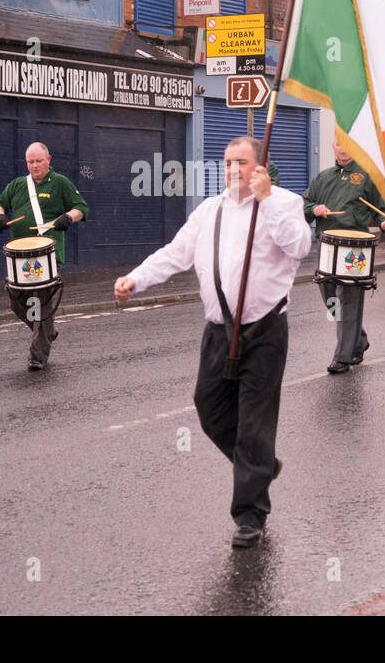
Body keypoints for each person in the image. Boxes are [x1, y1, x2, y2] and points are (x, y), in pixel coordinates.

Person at [113, 137, 311, 548]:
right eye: (227, 162)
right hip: (219, 330)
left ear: (260, 166)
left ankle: (250, 515)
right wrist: (136, 278)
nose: (233, 169)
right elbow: (175, 254)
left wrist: (267, 200)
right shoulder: (210, 210)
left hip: (264, 331)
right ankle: (261, 466)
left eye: (242, 162)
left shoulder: (284, 203)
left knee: (255, 423)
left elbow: (300, 246)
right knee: (210, 409)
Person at [0, 142, 89, 370]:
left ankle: (38, 356)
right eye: (30, 162)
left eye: (39, 161)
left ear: (49, 160)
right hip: (20, 255)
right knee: (17, 302)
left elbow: (81, 207)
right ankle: (47, 330)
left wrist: (68, 217)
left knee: (41, 302)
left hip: (47, 254)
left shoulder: (60, 183)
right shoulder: (17, 185)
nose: (34, 165)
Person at [303, 139, 385, 370]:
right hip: (327, 245)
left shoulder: (367, 176)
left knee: (350, 300)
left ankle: (342, 358)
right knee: (332, 300)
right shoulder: (323, 177)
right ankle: (358, 340)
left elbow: (384, 210)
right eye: (338, 145)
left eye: (346, 145)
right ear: (332, 147)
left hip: (355, 249)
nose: (342, 149)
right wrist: (313, 209)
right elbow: (305, 201)